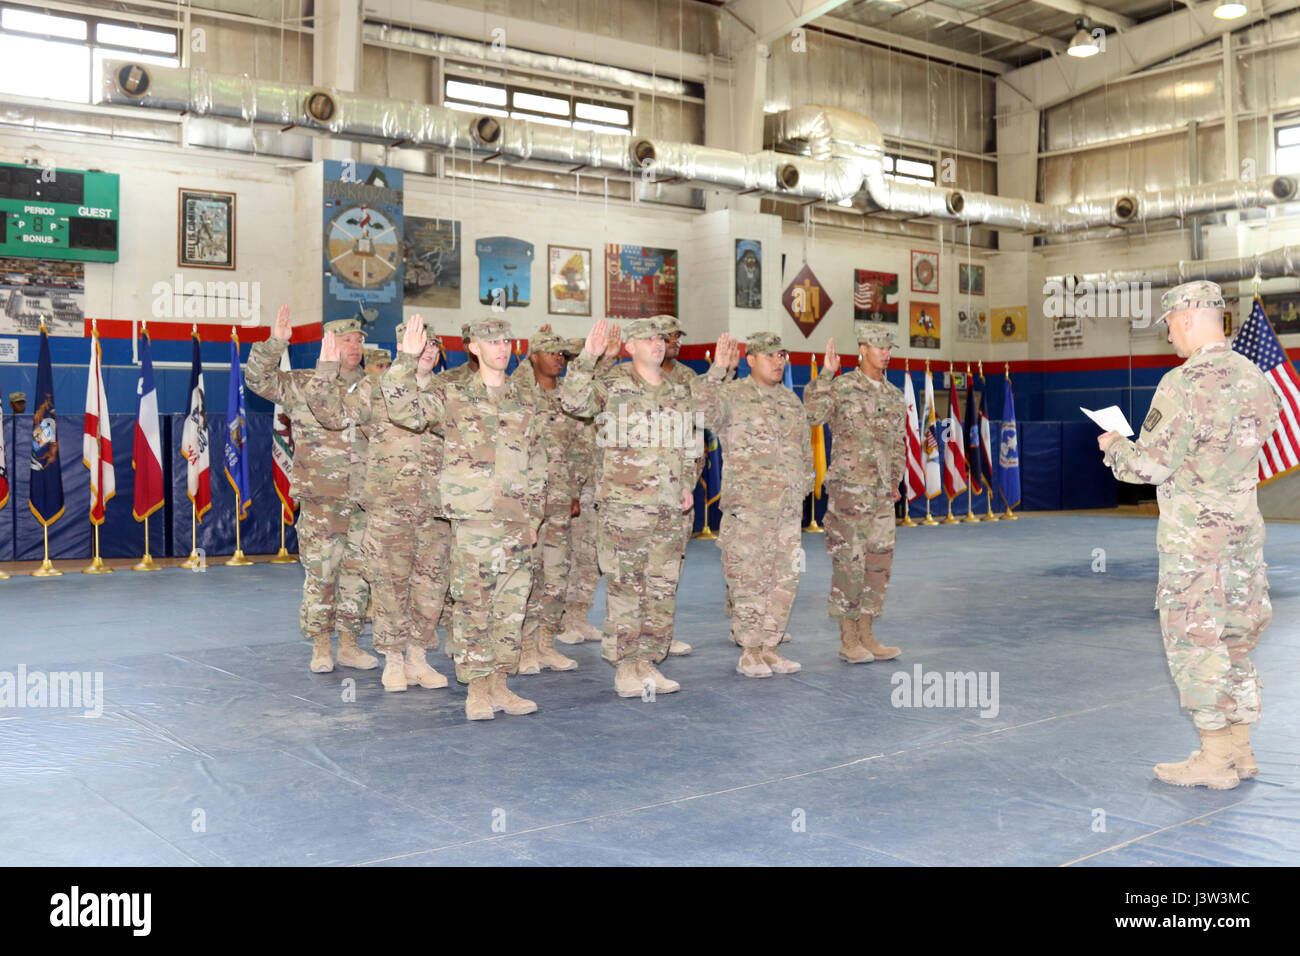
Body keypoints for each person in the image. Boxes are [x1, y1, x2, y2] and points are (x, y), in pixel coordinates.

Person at [1099, 280, 1279, 789]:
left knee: (1196, 642)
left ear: (1187, 318)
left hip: (1196, 545)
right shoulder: (1256, 378)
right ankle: (1241, 752)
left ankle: (1214, 758)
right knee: (1236, 642)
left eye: (1171, 325)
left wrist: (1116, 447)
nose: (1170, 336)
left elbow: (1151, 466)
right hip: (1244, 538)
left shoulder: (1181, 385)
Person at [385, 315, 546, 721]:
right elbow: (404, 409)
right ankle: (476, 690)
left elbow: (538, 463)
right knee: (474, 605)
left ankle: (500, 686)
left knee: (511, 606)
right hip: (474, 520)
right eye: (491, 342)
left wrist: (534, 517)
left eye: (507, 340)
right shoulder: (453, 396)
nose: (502, 347)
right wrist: (405, 360)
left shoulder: (524, 400)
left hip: (515, 521)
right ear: (473, 347)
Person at [561, 317, 705, 697]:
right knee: (627, 588)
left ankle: (648, 662)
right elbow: (572, 401)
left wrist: (688, 483)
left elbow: (693, 442)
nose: (657, 344)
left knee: (661, 588)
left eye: (661, 338)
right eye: (647, 338)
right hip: (626, 508)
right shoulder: (613, 384)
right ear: (630, 346)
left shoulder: (678, 390)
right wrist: (588, 358)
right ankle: (626, 667)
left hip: (671, 509)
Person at [308, 321, 448, 693]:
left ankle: (418, 658)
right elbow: (332, 416)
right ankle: (394, 660)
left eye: (434, 344)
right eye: (420, 343)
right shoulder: (376, 387)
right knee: (388, 588)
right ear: (403, 346)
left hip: (435, 512)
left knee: (431, 589)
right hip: (389, 509)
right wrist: (325, 372)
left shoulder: (449, 392)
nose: (429, 350)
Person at [245, 307, 376, 673]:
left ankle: (349, 644)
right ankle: (321, 646)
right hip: (321, 499)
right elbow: (257, 379)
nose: (354, 346)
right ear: (328, 344)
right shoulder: (302, 383)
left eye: (358, 340)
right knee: (322, 574)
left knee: (357, 575)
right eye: (346, 340)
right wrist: (277, 342)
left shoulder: (373, 387)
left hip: (362, 499)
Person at [694, 332, 811, 677]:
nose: (779, 362)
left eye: (783, 355)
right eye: (771, 355)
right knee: (749, 580)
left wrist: (802, 489)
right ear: (752, 360)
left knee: (785, 579)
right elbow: (699, 411)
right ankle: (749, 650)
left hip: (788, 511)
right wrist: (717, 370)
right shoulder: (731, 395)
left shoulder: (791, 401)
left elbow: (804, 450)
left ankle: (770, 647)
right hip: (749, 509)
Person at [803, 325, 906, 664]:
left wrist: (894, 480)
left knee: (878, 564)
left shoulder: (893, 394)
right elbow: (813, 414)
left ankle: (867, 633)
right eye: (879, 347)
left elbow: (897, 442)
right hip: (849, 492)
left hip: (880, 495)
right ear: (863, 349)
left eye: (888, 347)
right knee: (850, 564)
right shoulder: (844, 386)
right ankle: (849, 639)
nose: (885, 353)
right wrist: (826, 376)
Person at [512, 329, 586, 674]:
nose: (560, 358)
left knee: (557, 576)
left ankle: (545, 643)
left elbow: (582, 446)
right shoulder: (517, 393)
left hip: (558, 503)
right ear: (533, 356)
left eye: (564, 354)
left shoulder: (570, 397)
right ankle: (524, 647)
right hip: (525, 504)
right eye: (553, 352)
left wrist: (575, 489)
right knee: (527, 576)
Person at [556, 328, 622, 648]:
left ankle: (578, 616)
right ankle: (559, 620)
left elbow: (599, 385)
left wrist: (608, 357)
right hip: (567, 489)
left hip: (594, 485)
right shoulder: (562, 394)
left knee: (590, 556)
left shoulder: (591, 390)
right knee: (562, 558)